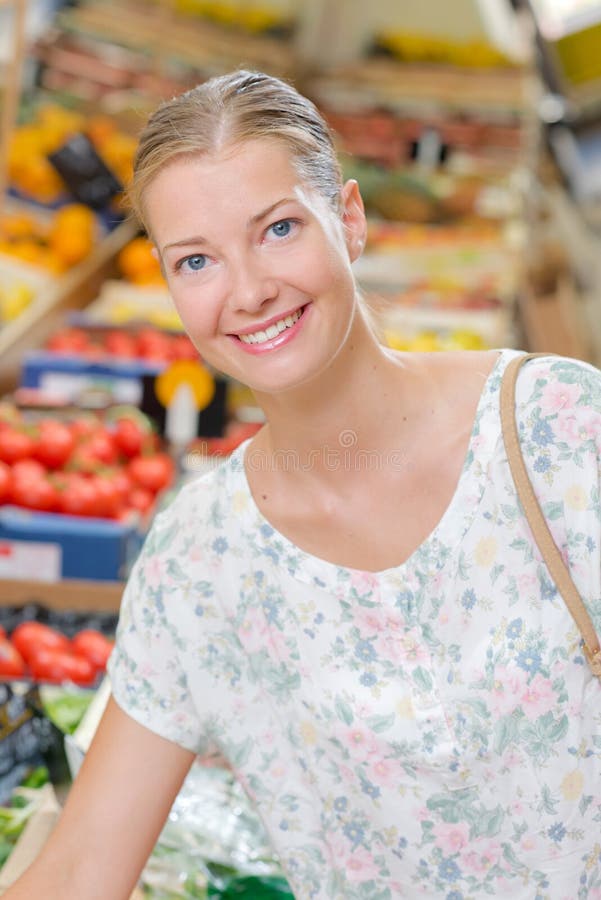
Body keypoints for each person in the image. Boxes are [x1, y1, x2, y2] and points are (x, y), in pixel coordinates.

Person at [5, 69, 601, 900]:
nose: (248, 291)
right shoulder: (199, 561)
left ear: (348, 220)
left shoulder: (556, 429)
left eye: (279, 228)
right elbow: (78, 871)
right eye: (197, 260)